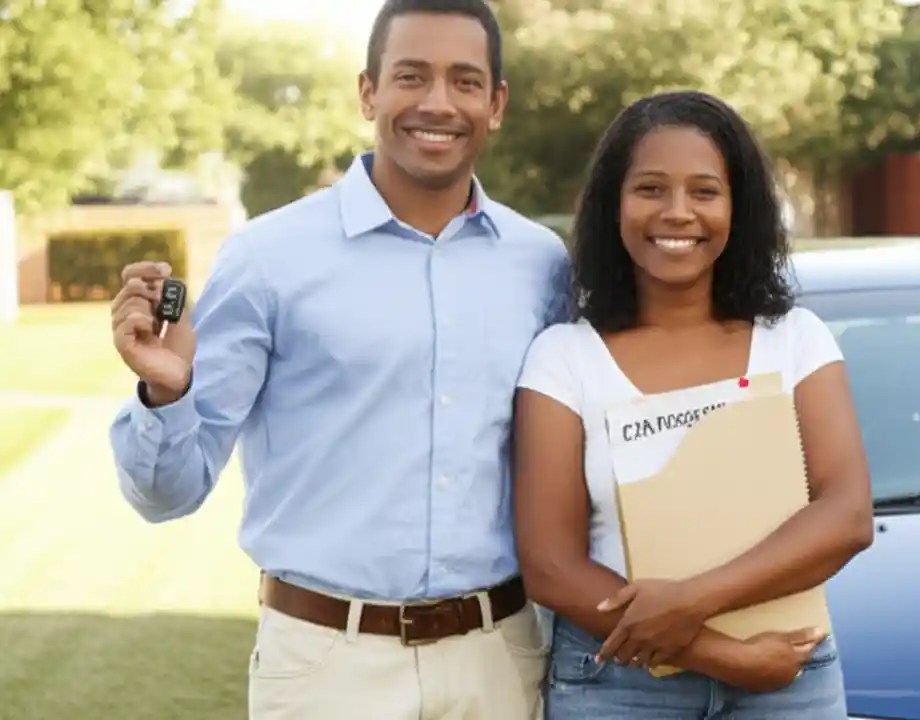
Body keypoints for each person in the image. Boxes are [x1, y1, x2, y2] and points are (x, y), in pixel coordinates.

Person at [106, 1, 567, 718]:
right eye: (411, 76)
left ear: (496, 103)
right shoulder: (267, 259)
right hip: (325, 671)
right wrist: (167, 396)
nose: (437, 103)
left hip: (499, 662)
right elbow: (169, 494)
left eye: (465, 81)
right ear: (368, 92)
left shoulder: (541, 265)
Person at [512, 90, 875, 718]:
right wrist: (723, 654)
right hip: (619, 681)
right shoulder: (563, 357)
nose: (677, 212)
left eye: (704, 191)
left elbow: (846, 516)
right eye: (651, 189)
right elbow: (551, 564)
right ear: (612, 205)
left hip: (789, 669)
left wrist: (690, 600)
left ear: (738, 206)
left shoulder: (794, 340)